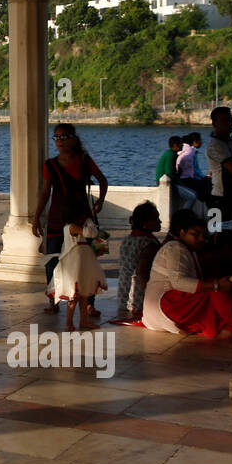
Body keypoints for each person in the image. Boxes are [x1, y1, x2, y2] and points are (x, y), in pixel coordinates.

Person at [31, 124, 108, 315]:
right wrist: (36, 218)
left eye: (64, 137)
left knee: (86, 259)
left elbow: (102, 180)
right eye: (56, 138)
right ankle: (54, 301)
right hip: (57, 217)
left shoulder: (84, 160)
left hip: (82, 217)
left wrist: (100, 201)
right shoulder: (50, 165)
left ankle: (89, 302)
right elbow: (44, 193)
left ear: (74, 139)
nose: (60, 141)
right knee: (52, 260)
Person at [141, 211, 232, 342]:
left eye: (203, 236)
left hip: (157, 315)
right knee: (216, 291)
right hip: (165, 305)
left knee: (221, 300)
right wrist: (217, 285)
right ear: (182, 233)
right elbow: (179, 283)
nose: (201, 239)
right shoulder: (176, 247)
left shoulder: (189, 250)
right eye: (195, 234)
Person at [48, 204, 106, 332]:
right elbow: (91, 233)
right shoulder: (72, 227)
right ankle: (69, 323)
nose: (84, 218)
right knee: (74, 297)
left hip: (82, 265)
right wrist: (90, 221)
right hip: (75, 267)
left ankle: (84, 321)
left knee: (84, 295)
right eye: (82, 216)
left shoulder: (75, 227)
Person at [117, 201, 161, 321]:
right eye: (156, 219)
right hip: (138, 299)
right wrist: (150, 297)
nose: (160, 222)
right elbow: (143, 273)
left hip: (123, 295)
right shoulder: (148, 244)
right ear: (144, 223)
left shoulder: (127, 239)